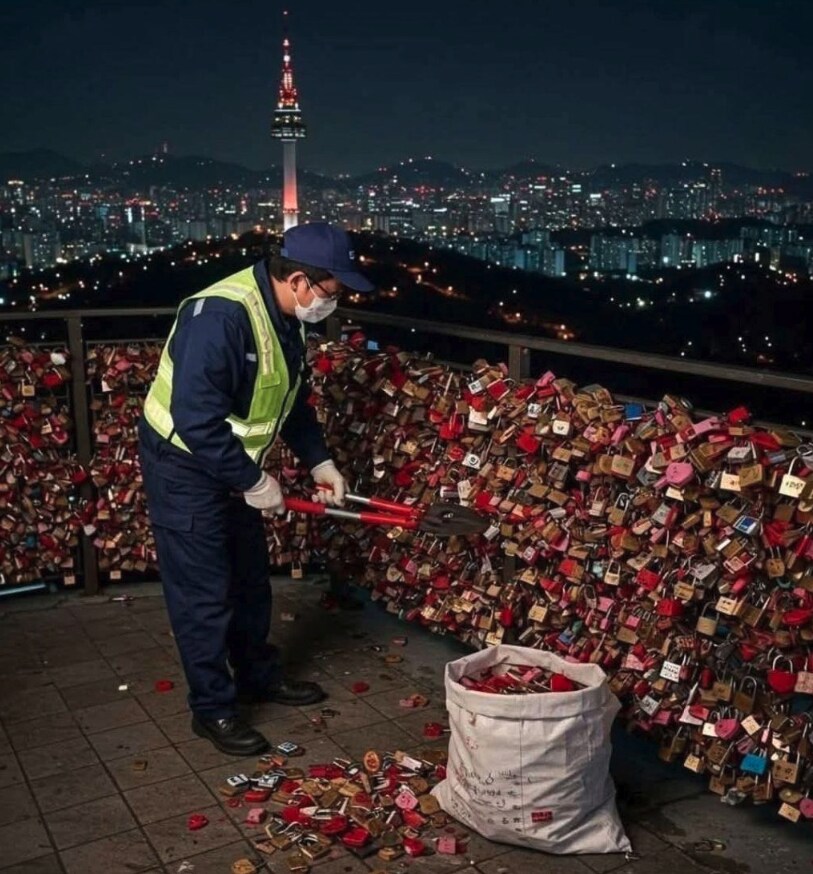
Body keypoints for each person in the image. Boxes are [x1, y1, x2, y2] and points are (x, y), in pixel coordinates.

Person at [137, 222, 374, 756]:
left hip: (231, 464)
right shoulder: (220, 318)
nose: (332, 305)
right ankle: (213, 709)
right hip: (183, 465)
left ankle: (257, 677)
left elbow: (288, 398)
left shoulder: (288, 318)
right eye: (331, 294)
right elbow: (195, 418)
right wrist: (252, 479)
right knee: (203, 594)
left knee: (249, 579)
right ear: (298, 281)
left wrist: (320, 461)